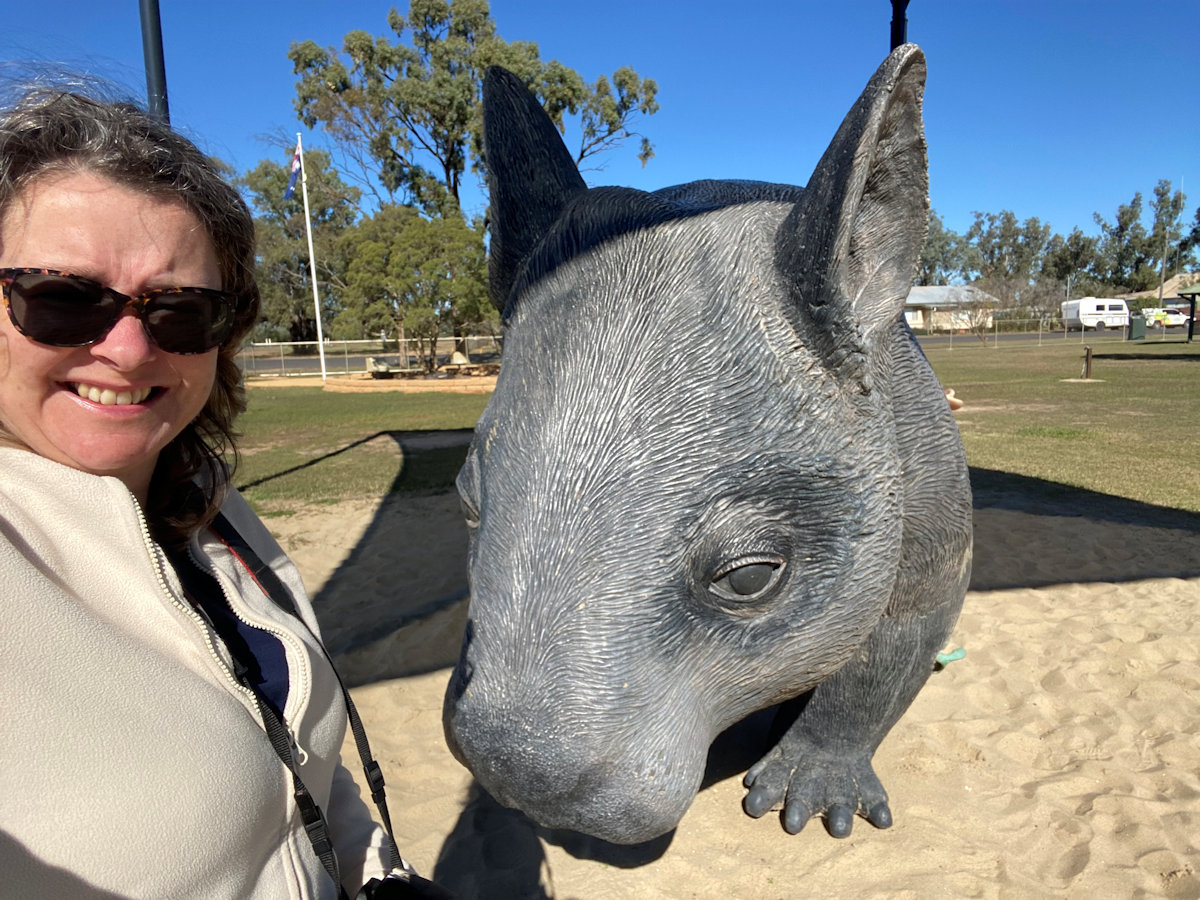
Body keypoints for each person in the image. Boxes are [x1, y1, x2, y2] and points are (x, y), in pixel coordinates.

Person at [0, 86, 445, 899]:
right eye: (62, 299)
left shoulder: (208, 506)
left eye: (179, 310)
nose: (129, 350)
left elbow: (293, 755)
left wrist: (373, 868)